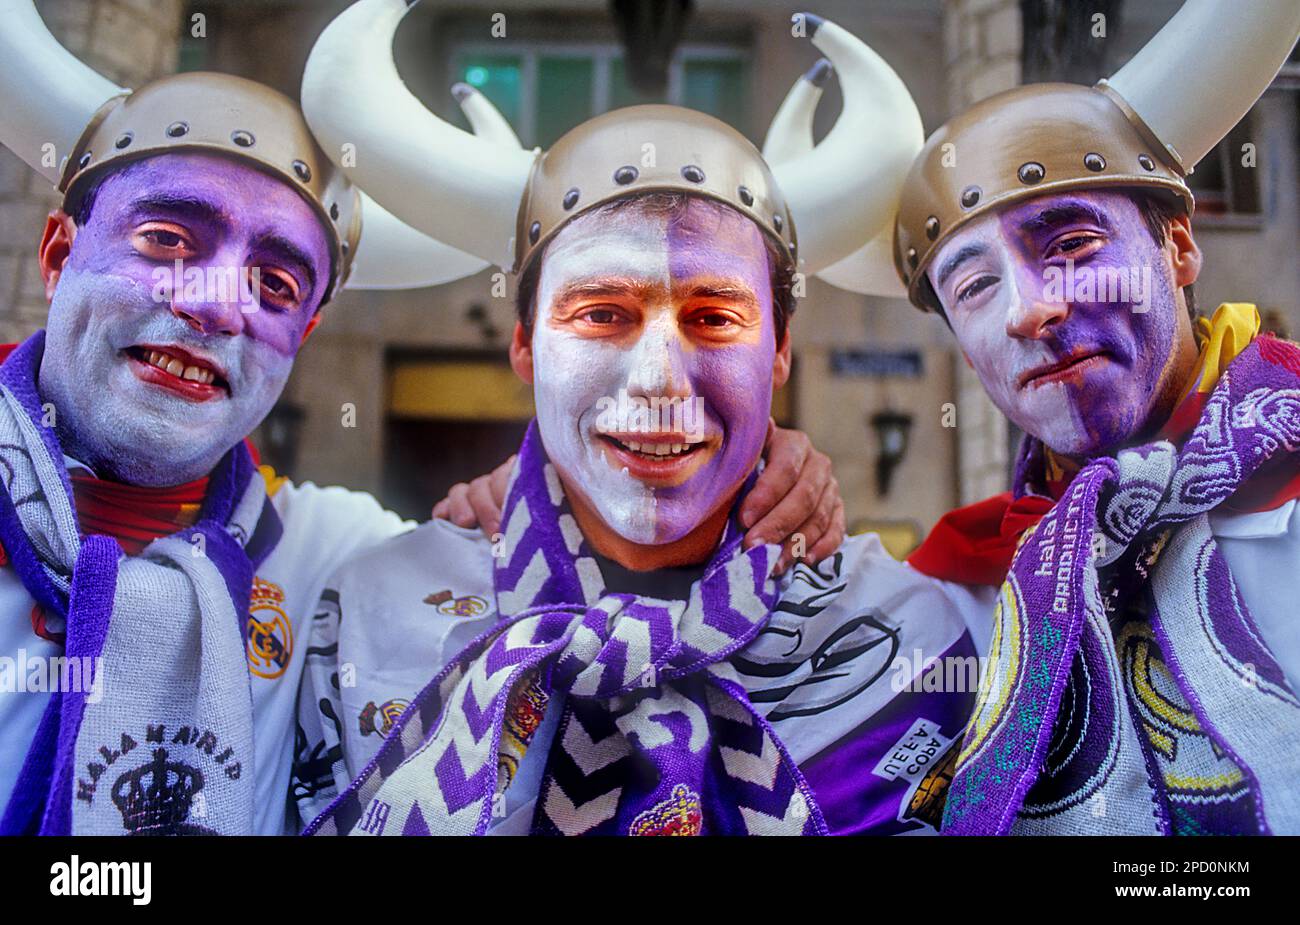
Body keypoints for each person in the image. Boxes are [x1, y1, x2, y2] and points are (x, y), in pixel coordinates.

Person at [0, 0, 838, 835]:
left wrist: (709, 453)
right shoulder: (346, 570)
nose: (217, 304)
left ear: (306, 331)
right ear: (58, 253)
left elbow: (548, 526)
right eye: (166, 239)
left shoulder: (333, 559)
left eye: (276, 285)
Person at [290, 3, 990, 836]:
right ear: (523, 346)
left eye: (714, 318)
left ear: (779, 354)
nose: (661, 380)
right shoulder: (372, 609)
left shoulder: (917, 637)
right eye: (602, 314)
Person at [880, 0, 1299, 835]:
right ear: (966, 349)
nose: (1028, 313)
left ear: (1179, 245)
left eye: (1069, 245)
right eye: (974, 287)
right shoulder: (955, 586)